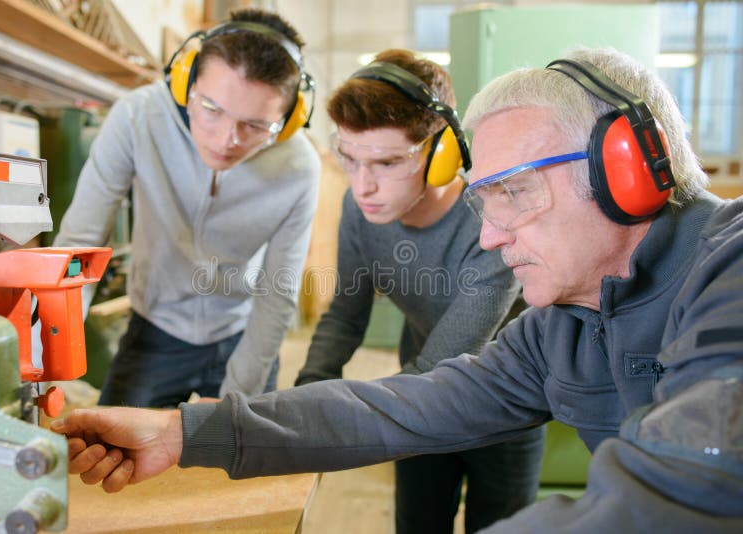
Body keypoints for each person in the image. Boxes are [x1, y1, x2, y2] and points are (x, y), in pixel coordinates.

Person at [53, 47, 743, 533]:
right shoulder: (555, 330)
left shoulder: (731, 266)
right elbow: (397, 407)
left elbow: (687, 494)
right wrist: (182, 432)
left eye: (515, 193)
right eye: (484, 201)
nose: (494, 236)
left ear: (626, 167)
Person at [294, 49, 544, 534]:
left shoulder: (494, 220)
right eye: (350, 158)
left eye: (387, 162)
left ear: (441, 154)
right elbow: (346, 315)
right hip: (415, 389)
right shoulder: (359, 208)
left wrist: (325, 423)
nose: (363, 186)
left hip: (507, 404)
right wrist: (305, 397)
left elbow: (438, 371)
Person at [53, 9, 321, 406]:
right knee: (111, 458)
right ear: (186, 81)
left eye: (254, 126)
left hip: (246, 335)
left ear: (289, 119)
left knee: (241, 461)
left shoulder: (299, 166)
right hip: (154, 330)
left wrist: (238, 400)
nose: (226, 139)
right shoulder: (137, 117)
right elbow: (79, 243)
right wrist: (50, 356)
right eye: (211, 109)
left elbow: (277, 291)